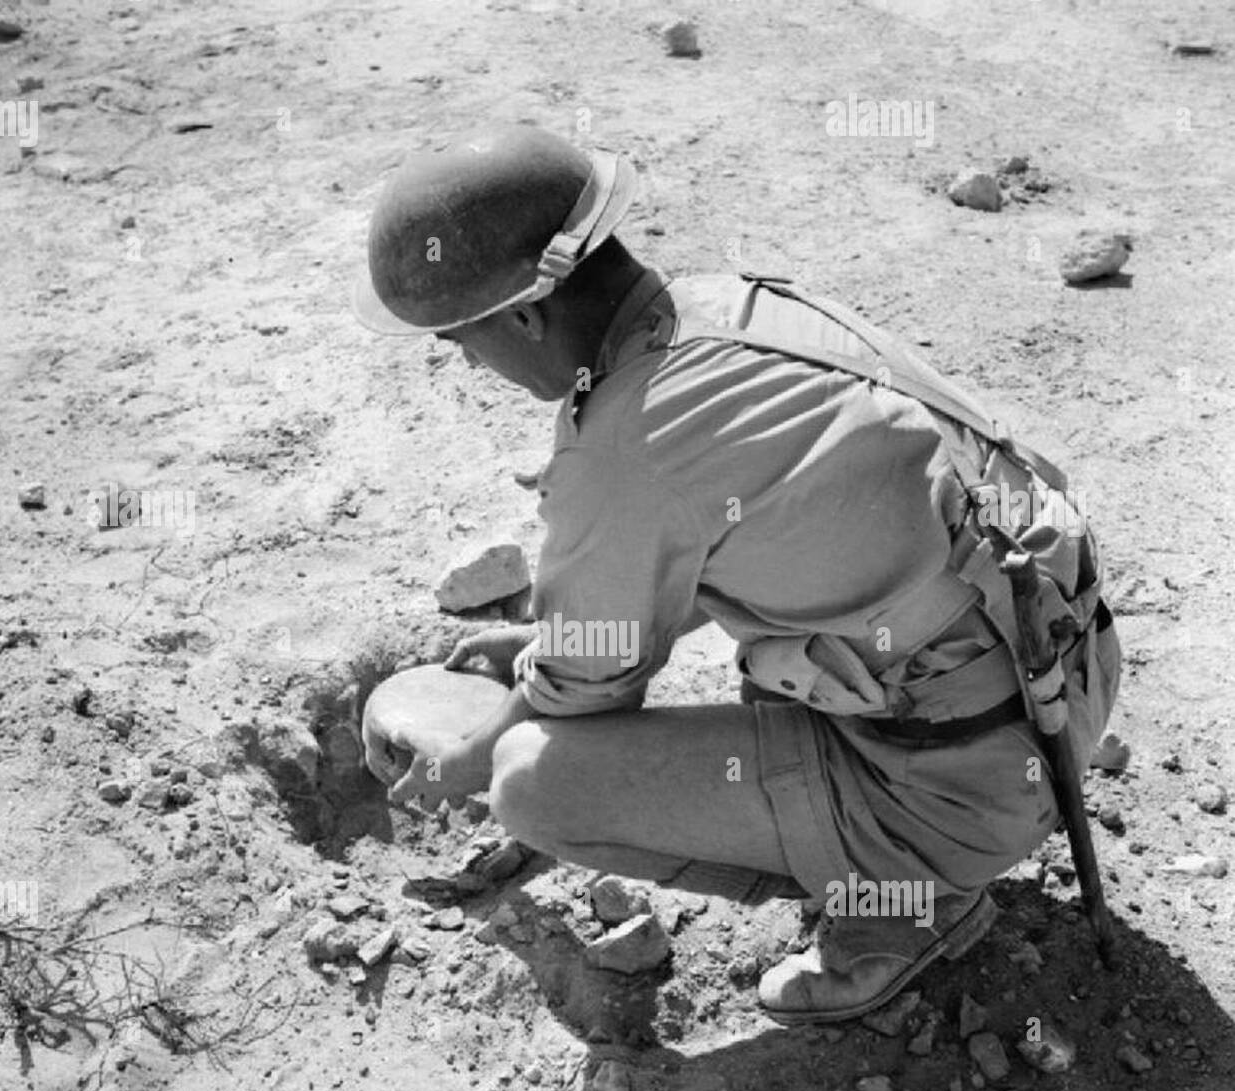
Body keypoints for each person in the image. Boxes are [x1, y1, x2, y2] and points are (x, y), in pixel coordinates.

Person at [352, 122, 1120, 1025]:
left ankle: (909, 904)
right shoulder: (726, 306)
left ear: (525, 315)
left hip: (968, 784)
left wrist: (467, 758)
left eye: (459, 339)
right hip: (1063, 676)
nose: (463, 360)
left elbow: (579, 697)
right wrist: (559, 637)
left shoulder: (626, 443)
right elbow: (760, 530)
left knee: (531, 777)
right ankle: (903, 848)